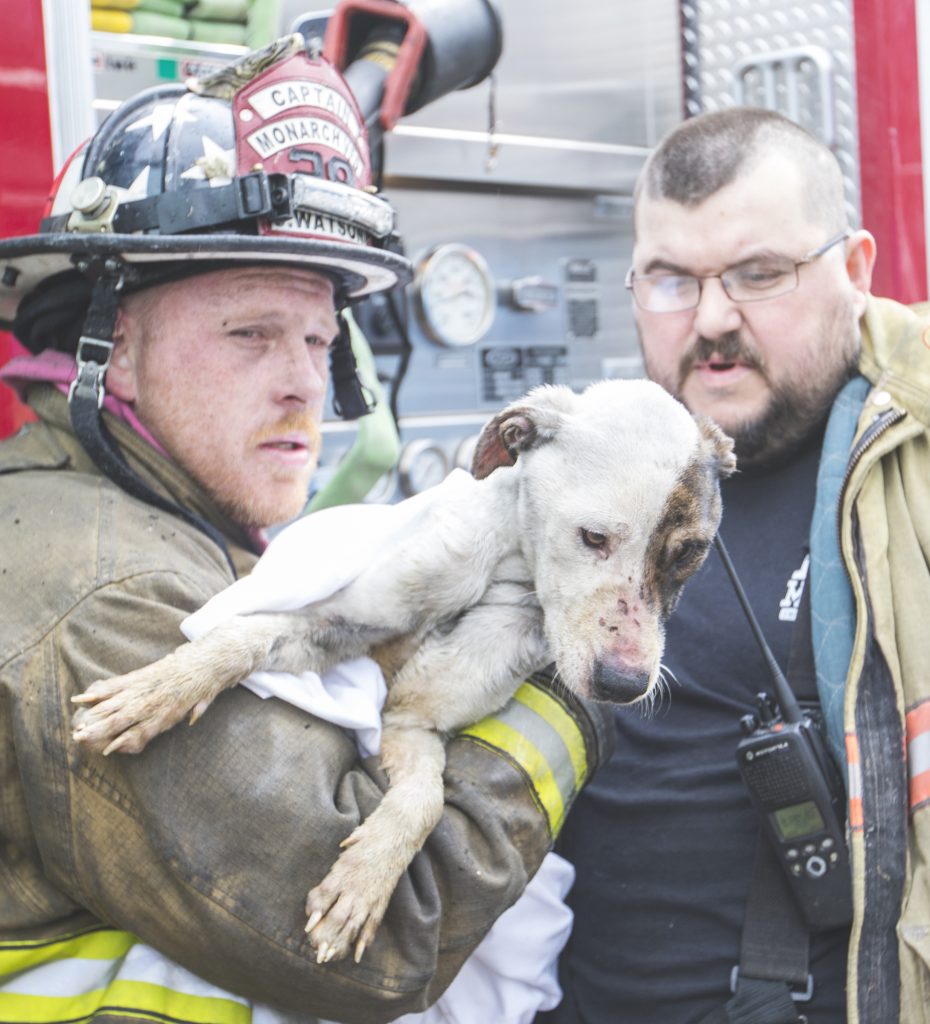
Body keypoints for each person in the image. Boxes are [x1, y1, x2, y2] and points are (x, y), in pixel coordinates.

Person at [0, 35, 612, 1022]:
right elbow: (392, 935)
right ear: (104, 352)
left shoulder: (168, 521)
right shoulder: (110, 596)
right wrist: (575, 673)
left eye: (321, 339)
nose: (302, 383)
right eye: (250, 334)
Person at [544, 107, 930, 1024]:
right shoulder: (570, 482)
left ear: (855, 271)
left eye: (761, 274)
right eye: (672, 280)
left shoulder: (910, 477)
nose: (714, 319)